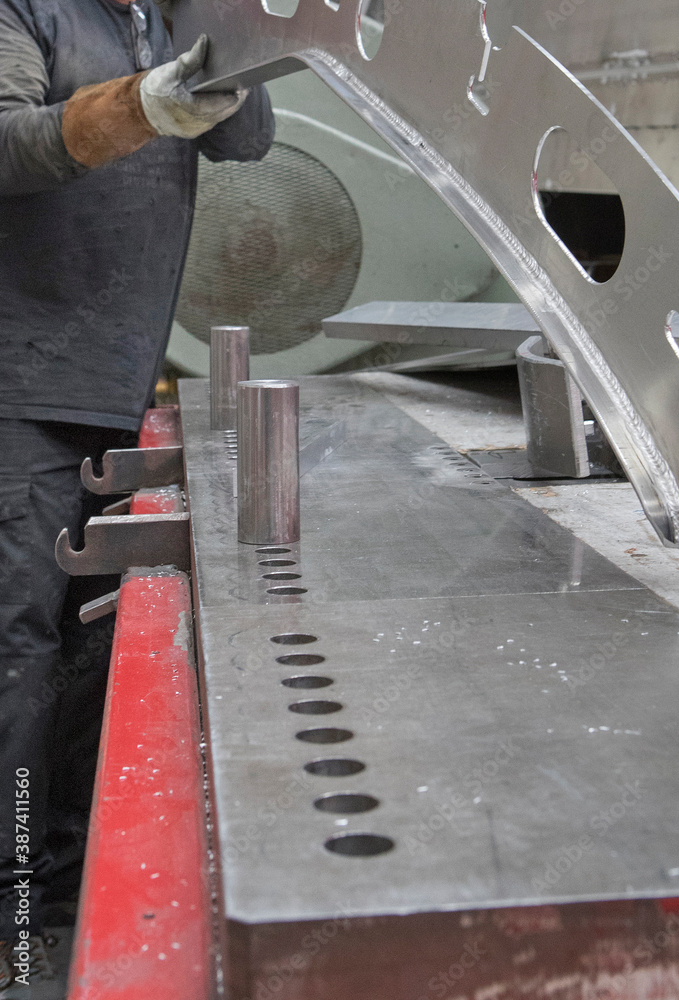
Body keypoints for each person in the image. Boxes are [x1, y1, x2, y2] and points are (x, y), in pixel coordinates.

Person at [0, 0, 275, 991]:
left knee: (81, 656)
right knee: (18, 654)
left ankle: (58, 897)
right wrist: (137, 106)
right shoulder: (30, 11)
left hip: (117, 379)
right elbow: (6, 143)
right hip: (21, 383)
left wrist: (226, 38)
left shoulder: (174, 22)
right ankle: (15, 913)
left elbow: (249, 134)